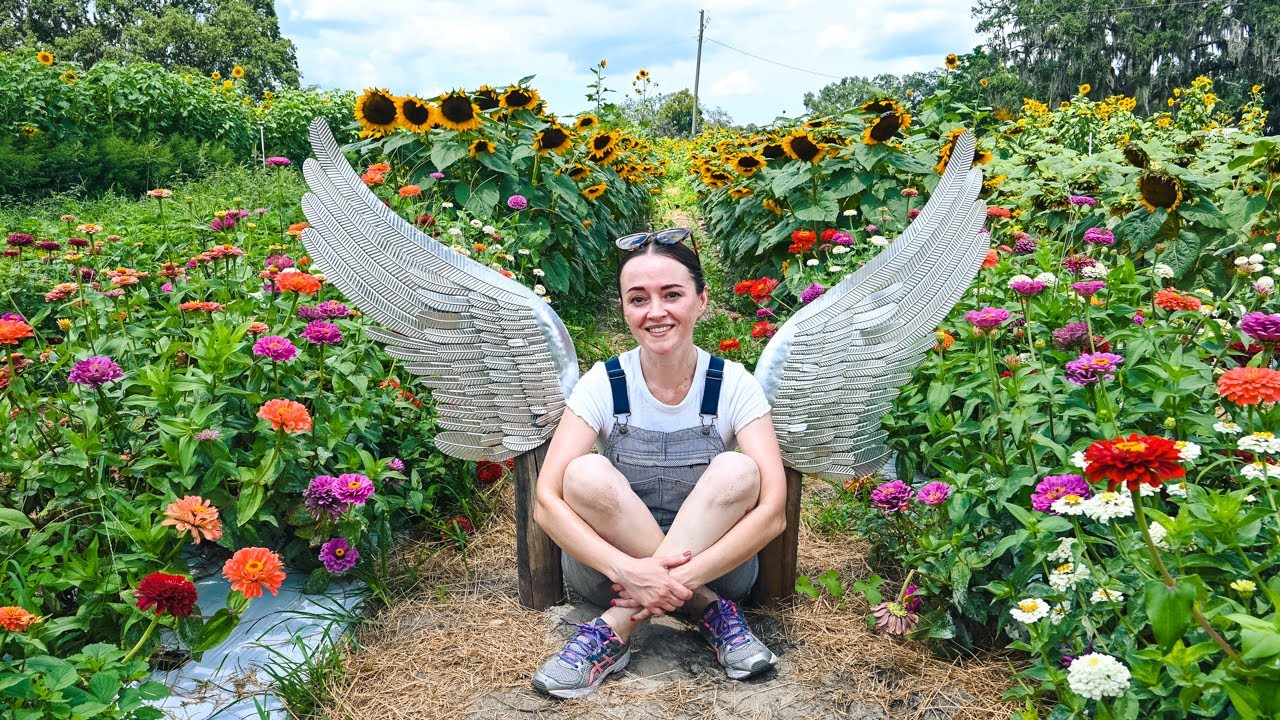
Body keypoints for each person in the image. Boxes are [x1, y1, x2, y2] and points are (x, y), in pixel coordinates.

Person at [531, 227, 788, 699]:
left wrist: (676, 579)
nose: (655, 312)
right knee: (580, 472)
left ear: (701, 300)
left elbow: (773, 511)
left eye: (672, 294)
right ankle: (710, 612)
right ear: (625, 308)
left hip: (718, 567)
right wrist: (629, 571)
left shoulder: (733, 383)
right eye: (638, 298)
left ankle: (614, 629)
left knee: (740, 470)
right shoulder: (604, 383)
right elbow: (546, 502)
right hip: (608, 574)